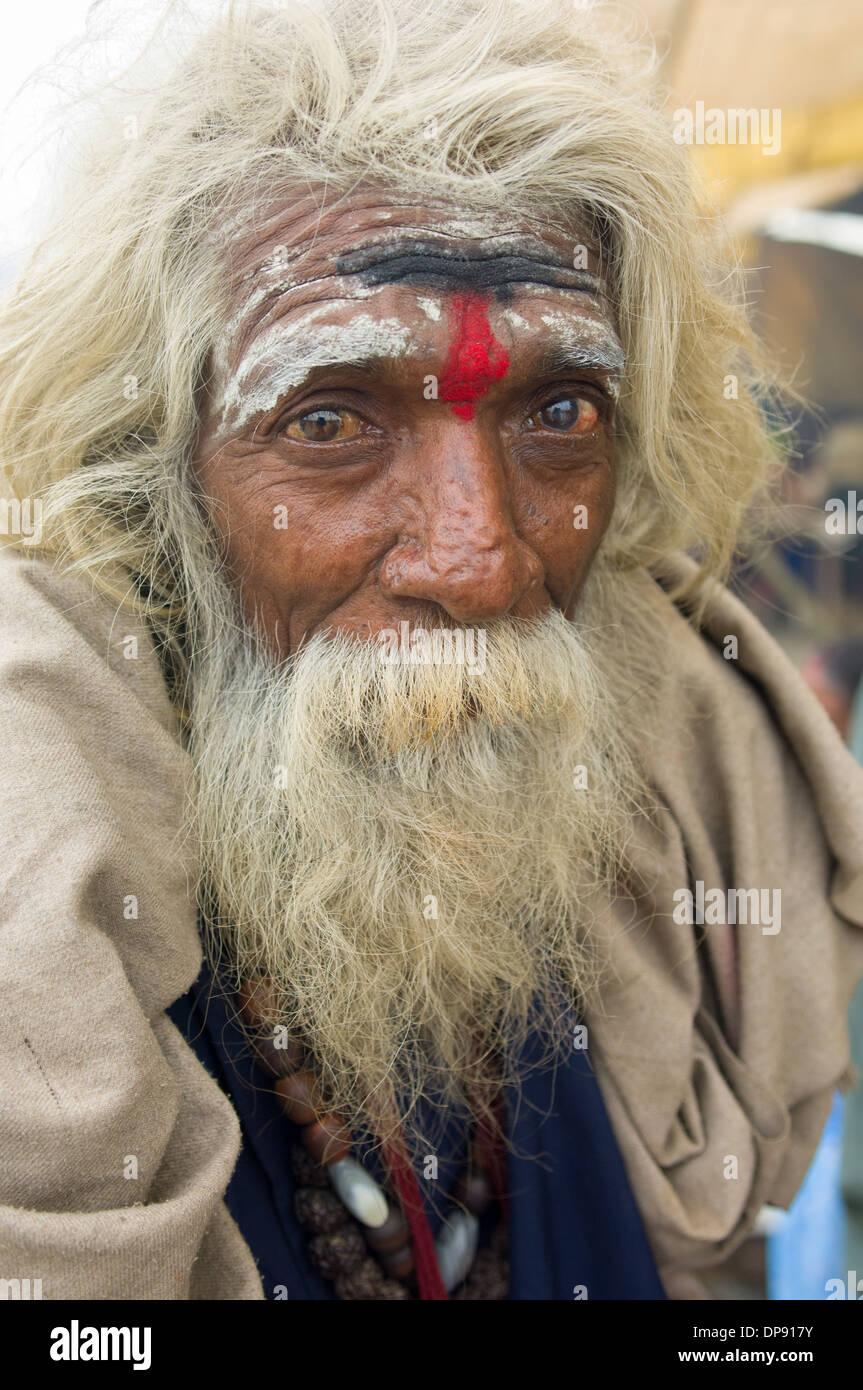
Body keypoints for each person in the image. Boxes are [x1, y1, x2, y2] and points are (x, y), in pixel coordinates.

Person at [1, 0, 862, 1301]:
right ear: (163, 476)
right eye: (332, 419)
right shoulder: (56, 881)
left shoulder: (692, 833)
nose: (478, 561)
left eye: (558, 411)